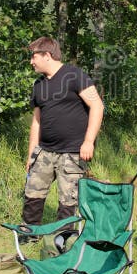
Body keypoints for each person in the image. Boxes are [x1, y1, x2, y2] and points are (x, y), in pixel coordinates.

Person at [22, 37, 104, 230]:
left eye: (34, 56)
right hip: (44, 151)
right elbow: (36, 122)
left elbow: (97, 106)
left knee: (68, 200)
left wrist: (88, 142)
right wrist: (31, 154)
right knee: (33, 193)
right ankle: (30, 233)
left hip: (72, 152)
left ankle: (63, 239)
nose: (31, 61)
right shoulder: (39, 85)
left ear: (47, 55)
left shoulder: (74, 76)